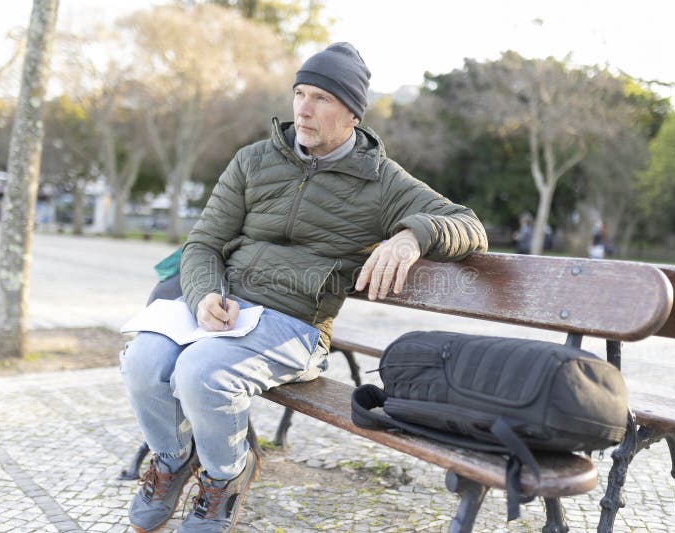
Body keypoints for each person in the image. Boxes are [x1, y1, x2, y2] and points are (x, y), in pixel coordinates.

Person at [120, 42, 488, 532]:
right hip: (225, 307)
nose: (303, 108)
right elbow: (203, 243)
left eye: (321, 98)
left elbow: (468, 225)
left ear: (352, 114)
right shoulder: (254, 160)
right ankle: (172, 459)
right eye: (299, 93)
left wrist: (410, 236)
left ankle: (227, 474)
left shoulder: (381, 181)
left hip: (295, 325)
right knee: (142, 361)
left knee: (200, 374)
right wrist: (205, 293)